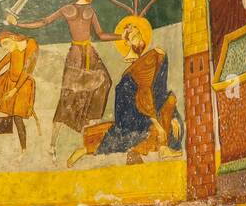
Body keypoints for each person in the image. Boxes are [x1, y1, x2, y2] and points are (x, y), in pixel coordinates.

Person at [7, 0, 115, 157]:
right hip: (75, 56)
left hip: (90, 53)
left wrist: (121, 36)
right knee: (67, 98)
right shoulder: (68, 9)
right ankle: (52, 145)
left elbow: (102, 34)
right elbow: (43, 22)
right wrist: (18, 24)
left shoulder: (90, 11)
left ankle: (91, 125)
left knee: (105, 83)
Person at [69, 19, 184, 167]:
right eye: (135, 37)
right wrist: (159, 124)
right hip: (130, 106)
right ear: (127, 43)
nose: (140, 40)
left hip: (138, 106)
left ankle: (86, 150)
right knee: (134, 130)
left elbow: (158, 91)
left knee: (167, 105)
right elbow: (145, 94)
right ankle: (86, 150)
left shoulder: (149, 60)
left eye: (140, 35)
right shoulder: (151, 59)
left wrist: (172, 114)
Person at [0, 29, 40, 154]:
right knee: (5, 111)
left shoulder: (30, 46)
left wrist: (14, 90)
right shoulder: (12, 51)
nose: (4, 48)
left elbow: (26, 72)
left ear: (13, 38)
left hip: (23, 86)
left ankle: (23, 150)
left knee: (17, 118)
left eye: (5, 43)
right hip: (8, 83)